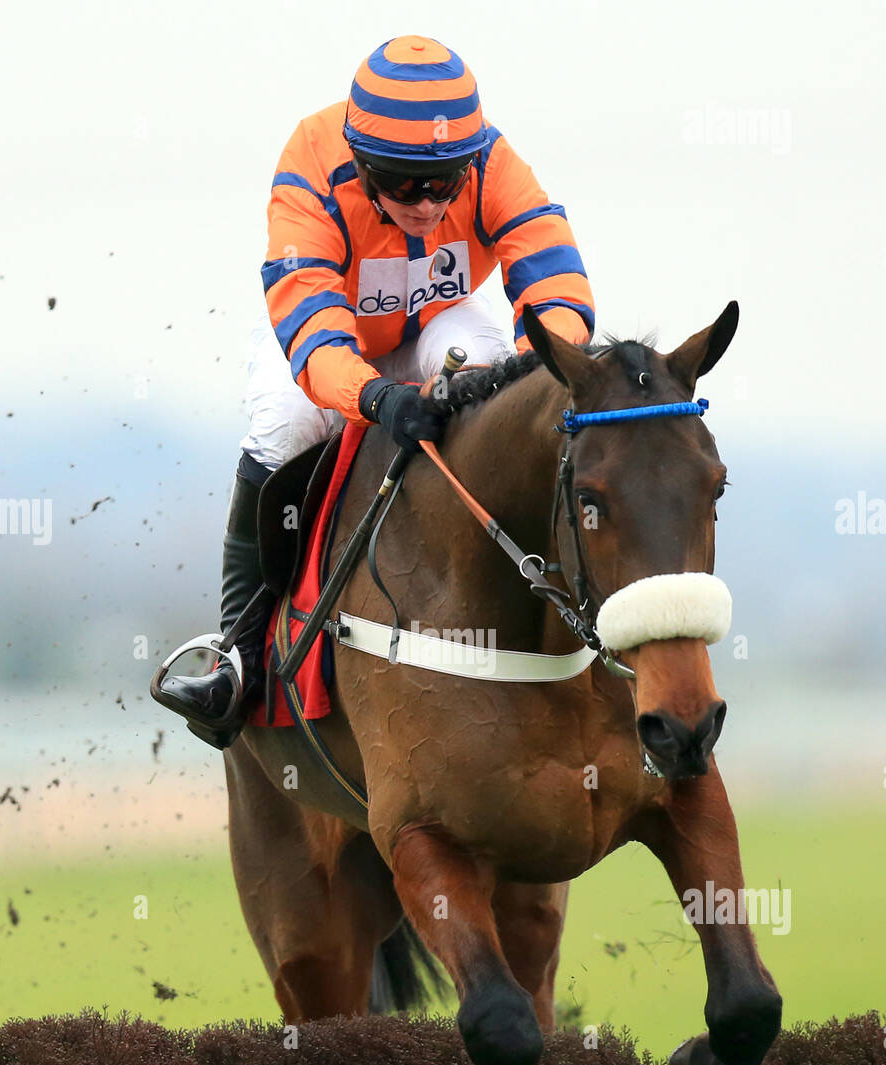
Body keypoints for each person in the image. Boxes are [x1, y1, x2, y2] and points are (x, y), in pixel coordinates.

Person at [154, 34, 596, 747]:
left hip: (431, 326)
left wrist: (543, 362)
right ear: (362, 166)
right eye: (403, 184)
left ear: (471, 160)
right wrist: (375, 397)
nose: (428, 205)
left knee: (489, 371)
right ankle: (236, 650)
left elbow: (550, 268)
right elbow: (314, 322)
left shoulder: (493, 159)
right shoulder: (310, 163)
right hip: (325, 337)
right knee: (287, 424)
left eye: (446, 182)